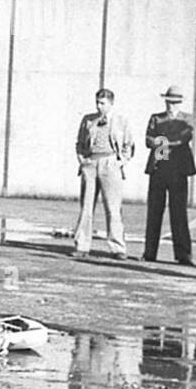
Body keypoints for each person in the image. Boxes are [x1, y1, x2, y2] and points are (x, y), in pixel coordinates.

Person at [72, 88, 134, 260]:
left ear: (111, 103)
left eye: (103, 103)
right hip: (91, 163)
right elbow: (79, 143)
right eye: (97, 103)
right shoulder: (88, 120)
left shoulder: (121, 120)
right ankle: (82, 246)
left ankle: (117, 247)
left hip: (110, 163)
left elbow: (129, 145)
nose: (99, 106)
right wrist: (82, 160)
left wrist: (121, 162)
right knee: (86, 207)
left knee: (113, 208)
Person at [142, 85, 196, 266]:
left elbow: (184, 138)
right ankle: (149, 252)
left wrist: (163, 141)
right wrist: (162, 142)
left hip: (178, 170)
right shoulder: (156, 118)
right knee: (154, 211)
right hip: (159, 169)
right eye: (168, 102)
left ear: (180, 103)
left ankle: (183, 254)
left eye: (174, 102)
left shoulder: (187, 119)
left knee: (179, 212)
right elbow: (148, 139)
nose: (171, 105)